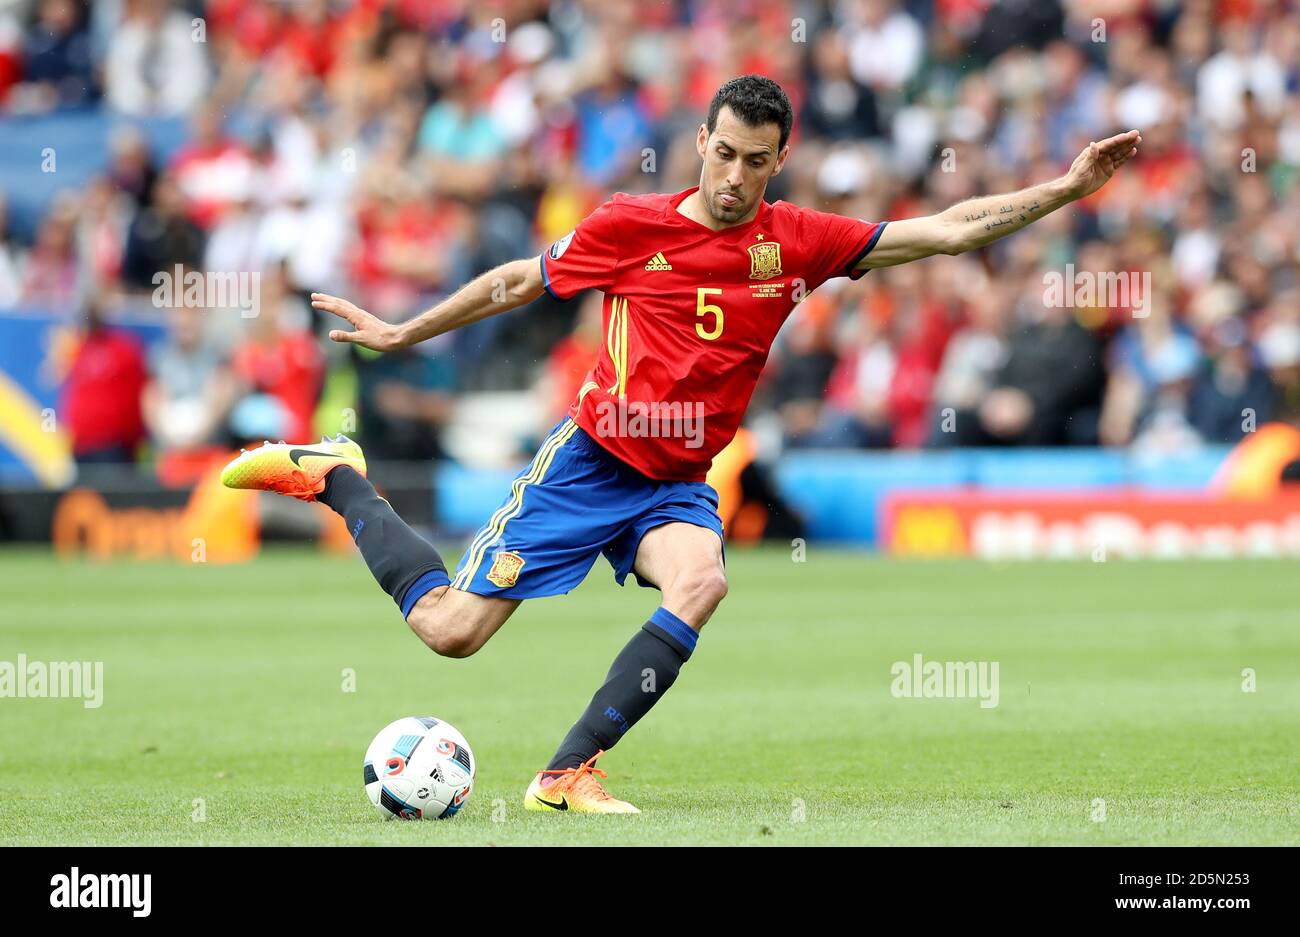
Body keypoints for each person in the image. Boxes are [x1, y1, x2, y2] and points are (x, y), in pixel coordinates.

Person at [221, 75, 1141, 814]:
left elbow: (947, 230)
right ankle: (340, 479)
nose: (736, 177)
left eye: (757, 162)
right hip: (591, 463)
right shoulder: (632, 226)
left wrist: (1063, 188)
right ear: (701, 143)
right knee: (449, 633)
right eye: (725, 154)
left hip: (678, 482)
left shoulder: (800, 242)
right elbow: (514, 283)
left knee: (704, 579)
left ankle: (565, 774)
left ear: (781, 162)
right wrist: (400, 332)